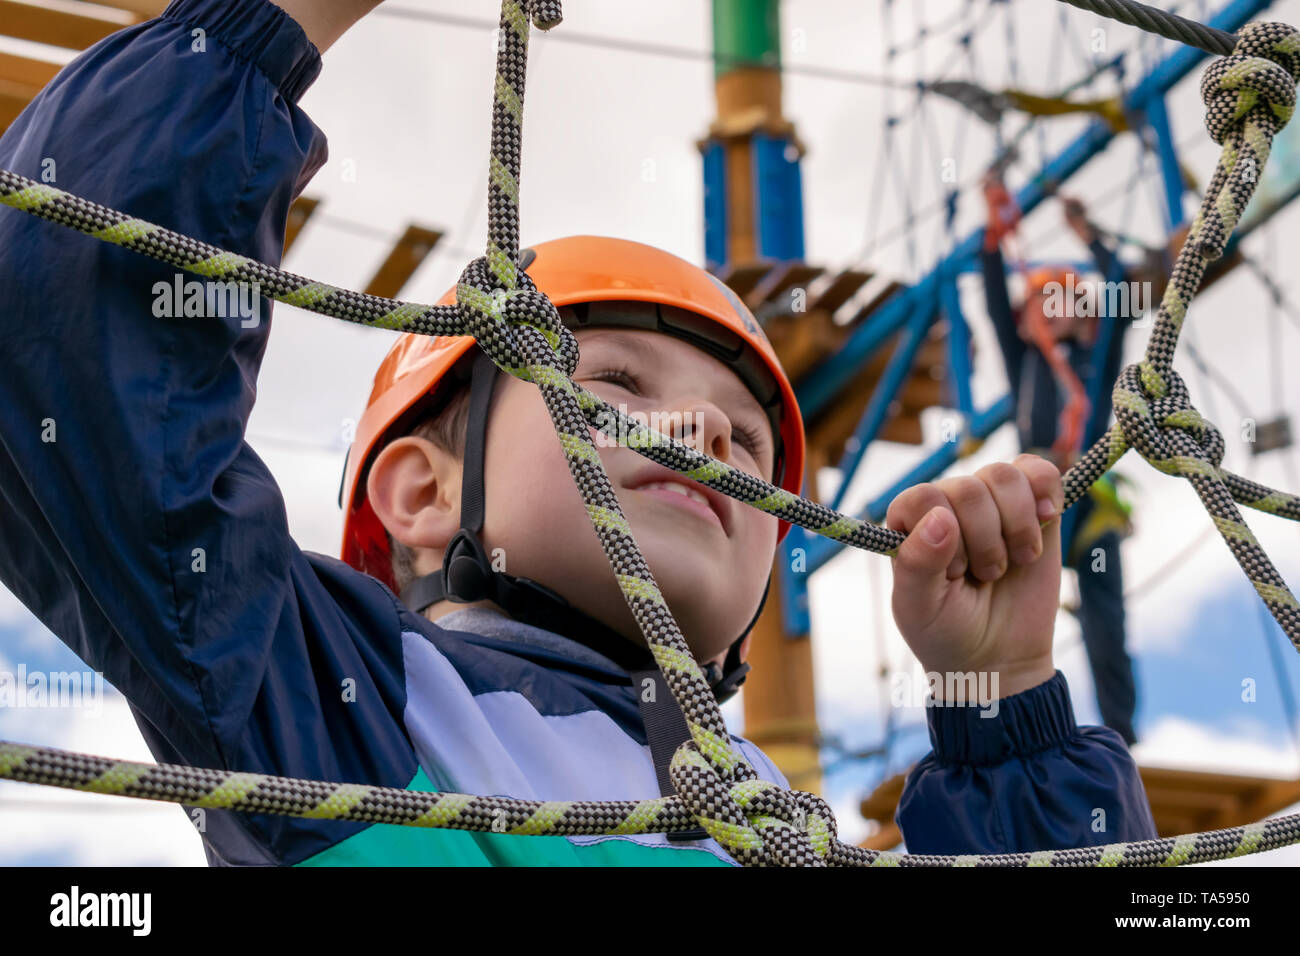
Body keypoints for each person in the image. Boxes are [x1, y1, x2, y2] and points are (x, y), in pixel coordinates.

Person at [0, 0, 1154, 865]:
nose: (710, 429)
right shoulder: (333, 697)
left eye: (753, 444)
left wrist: (998, 708)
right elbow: (70, 335)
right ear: (419, 491)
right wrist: (269, 24)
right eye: (609, 378)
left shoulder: (777, 823)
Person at [981, 173, 1141, 747]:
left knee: (1105, 616)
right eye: (1039, 305)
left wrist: (1087, 232)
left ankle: (1121, 734)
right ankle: (1025, 730)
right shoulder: (1024, 357)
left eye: (1059, 302)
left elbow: (1122, 286)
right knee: (1026, 612)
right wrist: (994, 234)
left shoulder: (1097, 357)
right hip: (1041, 492)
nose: (1043, 315)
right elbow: (996, 296)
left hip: (1088, 488)